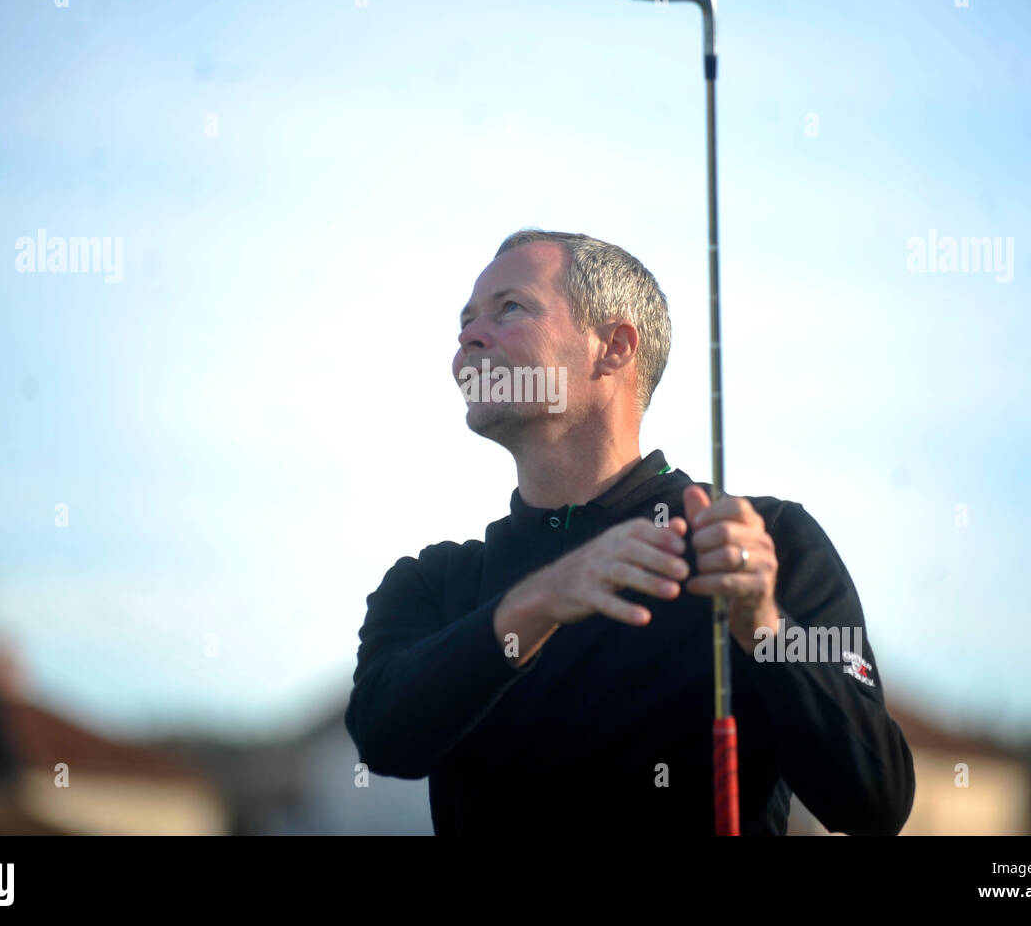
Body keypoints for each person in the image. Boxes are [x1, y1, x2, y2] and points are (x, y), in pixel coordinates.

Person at [344, 229, 915, 835]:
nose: (468, 337)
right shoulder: (433, 583)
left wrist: (765, 630)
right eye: (466, 320)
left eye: (509, 307)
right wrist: (539, 603)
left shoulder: (759, 544)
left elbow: (873, 803)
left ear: (614, 347)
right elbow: (385, 739)